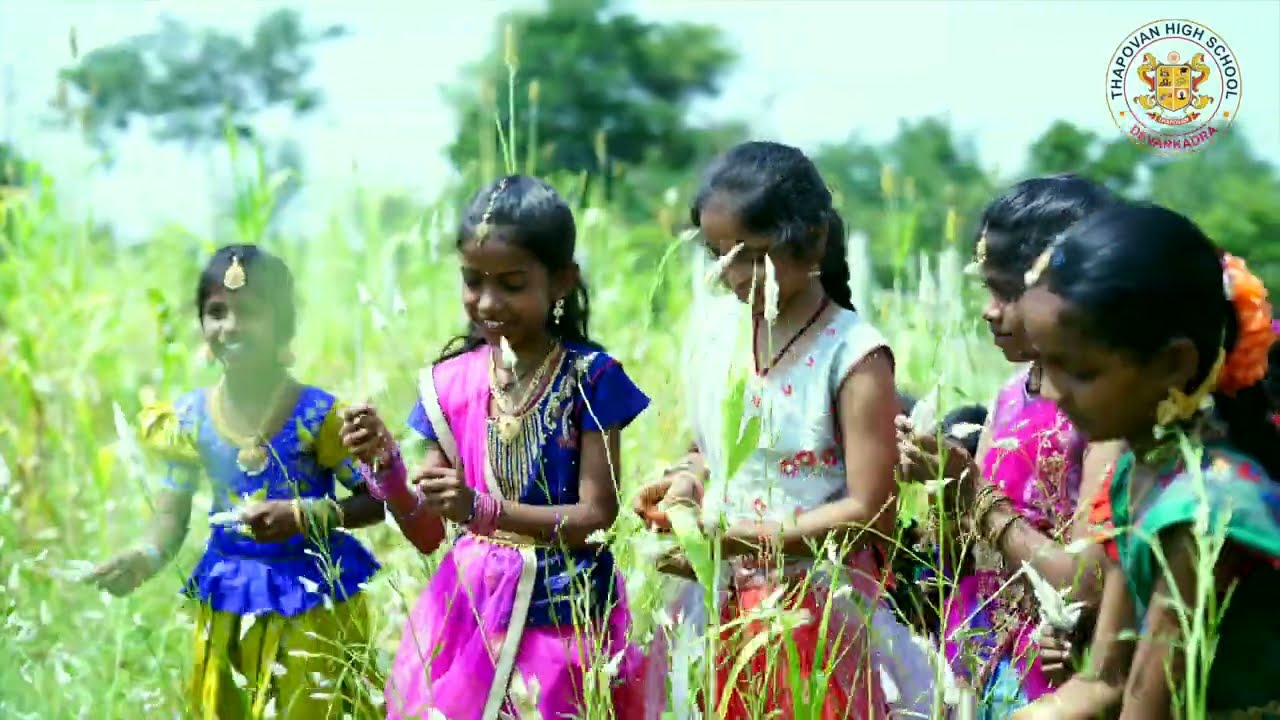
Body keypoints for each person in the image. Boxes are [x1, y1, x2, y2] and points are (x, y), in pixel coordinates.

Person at [637, 140, 936, 718]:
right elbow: (710, 449)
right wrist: (683, 488)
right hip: (716, 604)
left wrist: (729, 540)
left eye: (754, 254)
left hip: (816, 611)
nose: (733, 276)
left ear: (815, 240)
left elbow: (869, 511)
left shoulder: (852, 355)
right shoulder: (716, 332)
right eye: (717, 255)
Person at [341, 175, 652, 720]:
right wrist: (386, 468)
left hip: (564, 612)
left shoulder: (591, 378)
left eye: (511, 284)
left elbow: (597, 514)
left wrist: (482, 509)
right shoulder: (449, 384)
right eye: (472, 281)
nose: (486, 302)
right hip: (468, 615)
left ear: (561, 281)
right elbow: (429, 532)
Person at [88, 245, 384, 719]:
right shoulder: (190, 419)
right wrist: (144, 558)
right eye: (216, 312)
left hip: (311, 606)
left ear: (283, 324)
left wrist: (304, 516)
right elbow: (171, 515)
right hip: (228, 603)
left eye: (249, 312)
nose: (230, 326)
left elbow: (376, 500)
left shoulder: (318, 416)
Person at [1009, 204, 1280, 718]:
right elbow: (1105, 680)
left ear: (1173, 364)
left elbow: (1142, 707)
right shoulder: (1141, 468)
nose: (1049, 391)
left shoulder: (1205, 509)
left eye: (1081, 371)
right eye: (1043, 362)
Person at [897, 176, 1125, 719]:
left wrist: (975, 494)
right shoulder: (1010, 392)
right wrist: (939, 482)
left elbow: (1084, 582)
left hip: (1056, 674)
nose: (990, 311)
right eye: (987, 291)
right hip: (977, 656)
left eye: (1007, 292)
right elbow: (967, 549)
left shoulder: (1111, 410)